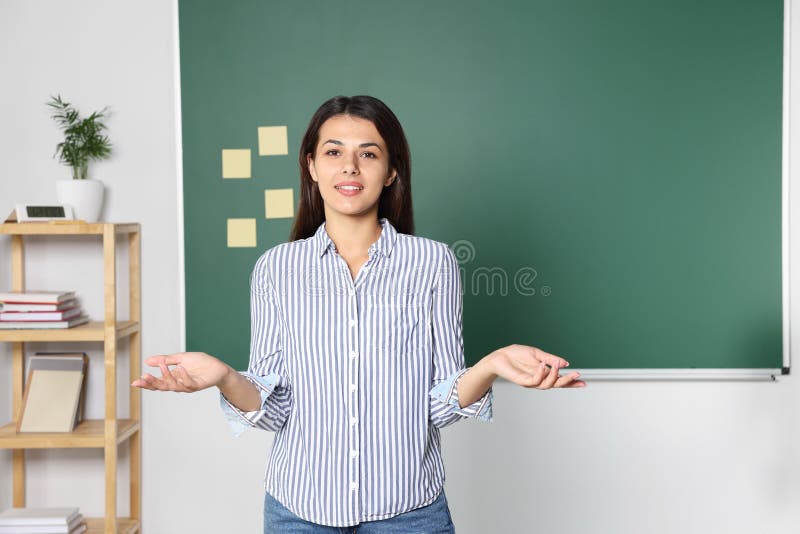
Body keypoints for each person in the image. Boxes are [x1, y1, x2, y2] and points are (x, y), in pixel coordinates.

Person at [131, 95, 586, 533]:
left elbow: (440, 407)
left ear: (390, 172)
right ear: (311, 165)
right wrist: (225, 376)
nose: (349, 166)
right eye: (333, 152)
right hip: (298, 510)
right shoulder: (276, 269)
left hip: (410, 511)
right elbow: (274, 411)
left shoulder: (432, 263)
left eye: (368, 153)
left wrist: (489, 366)